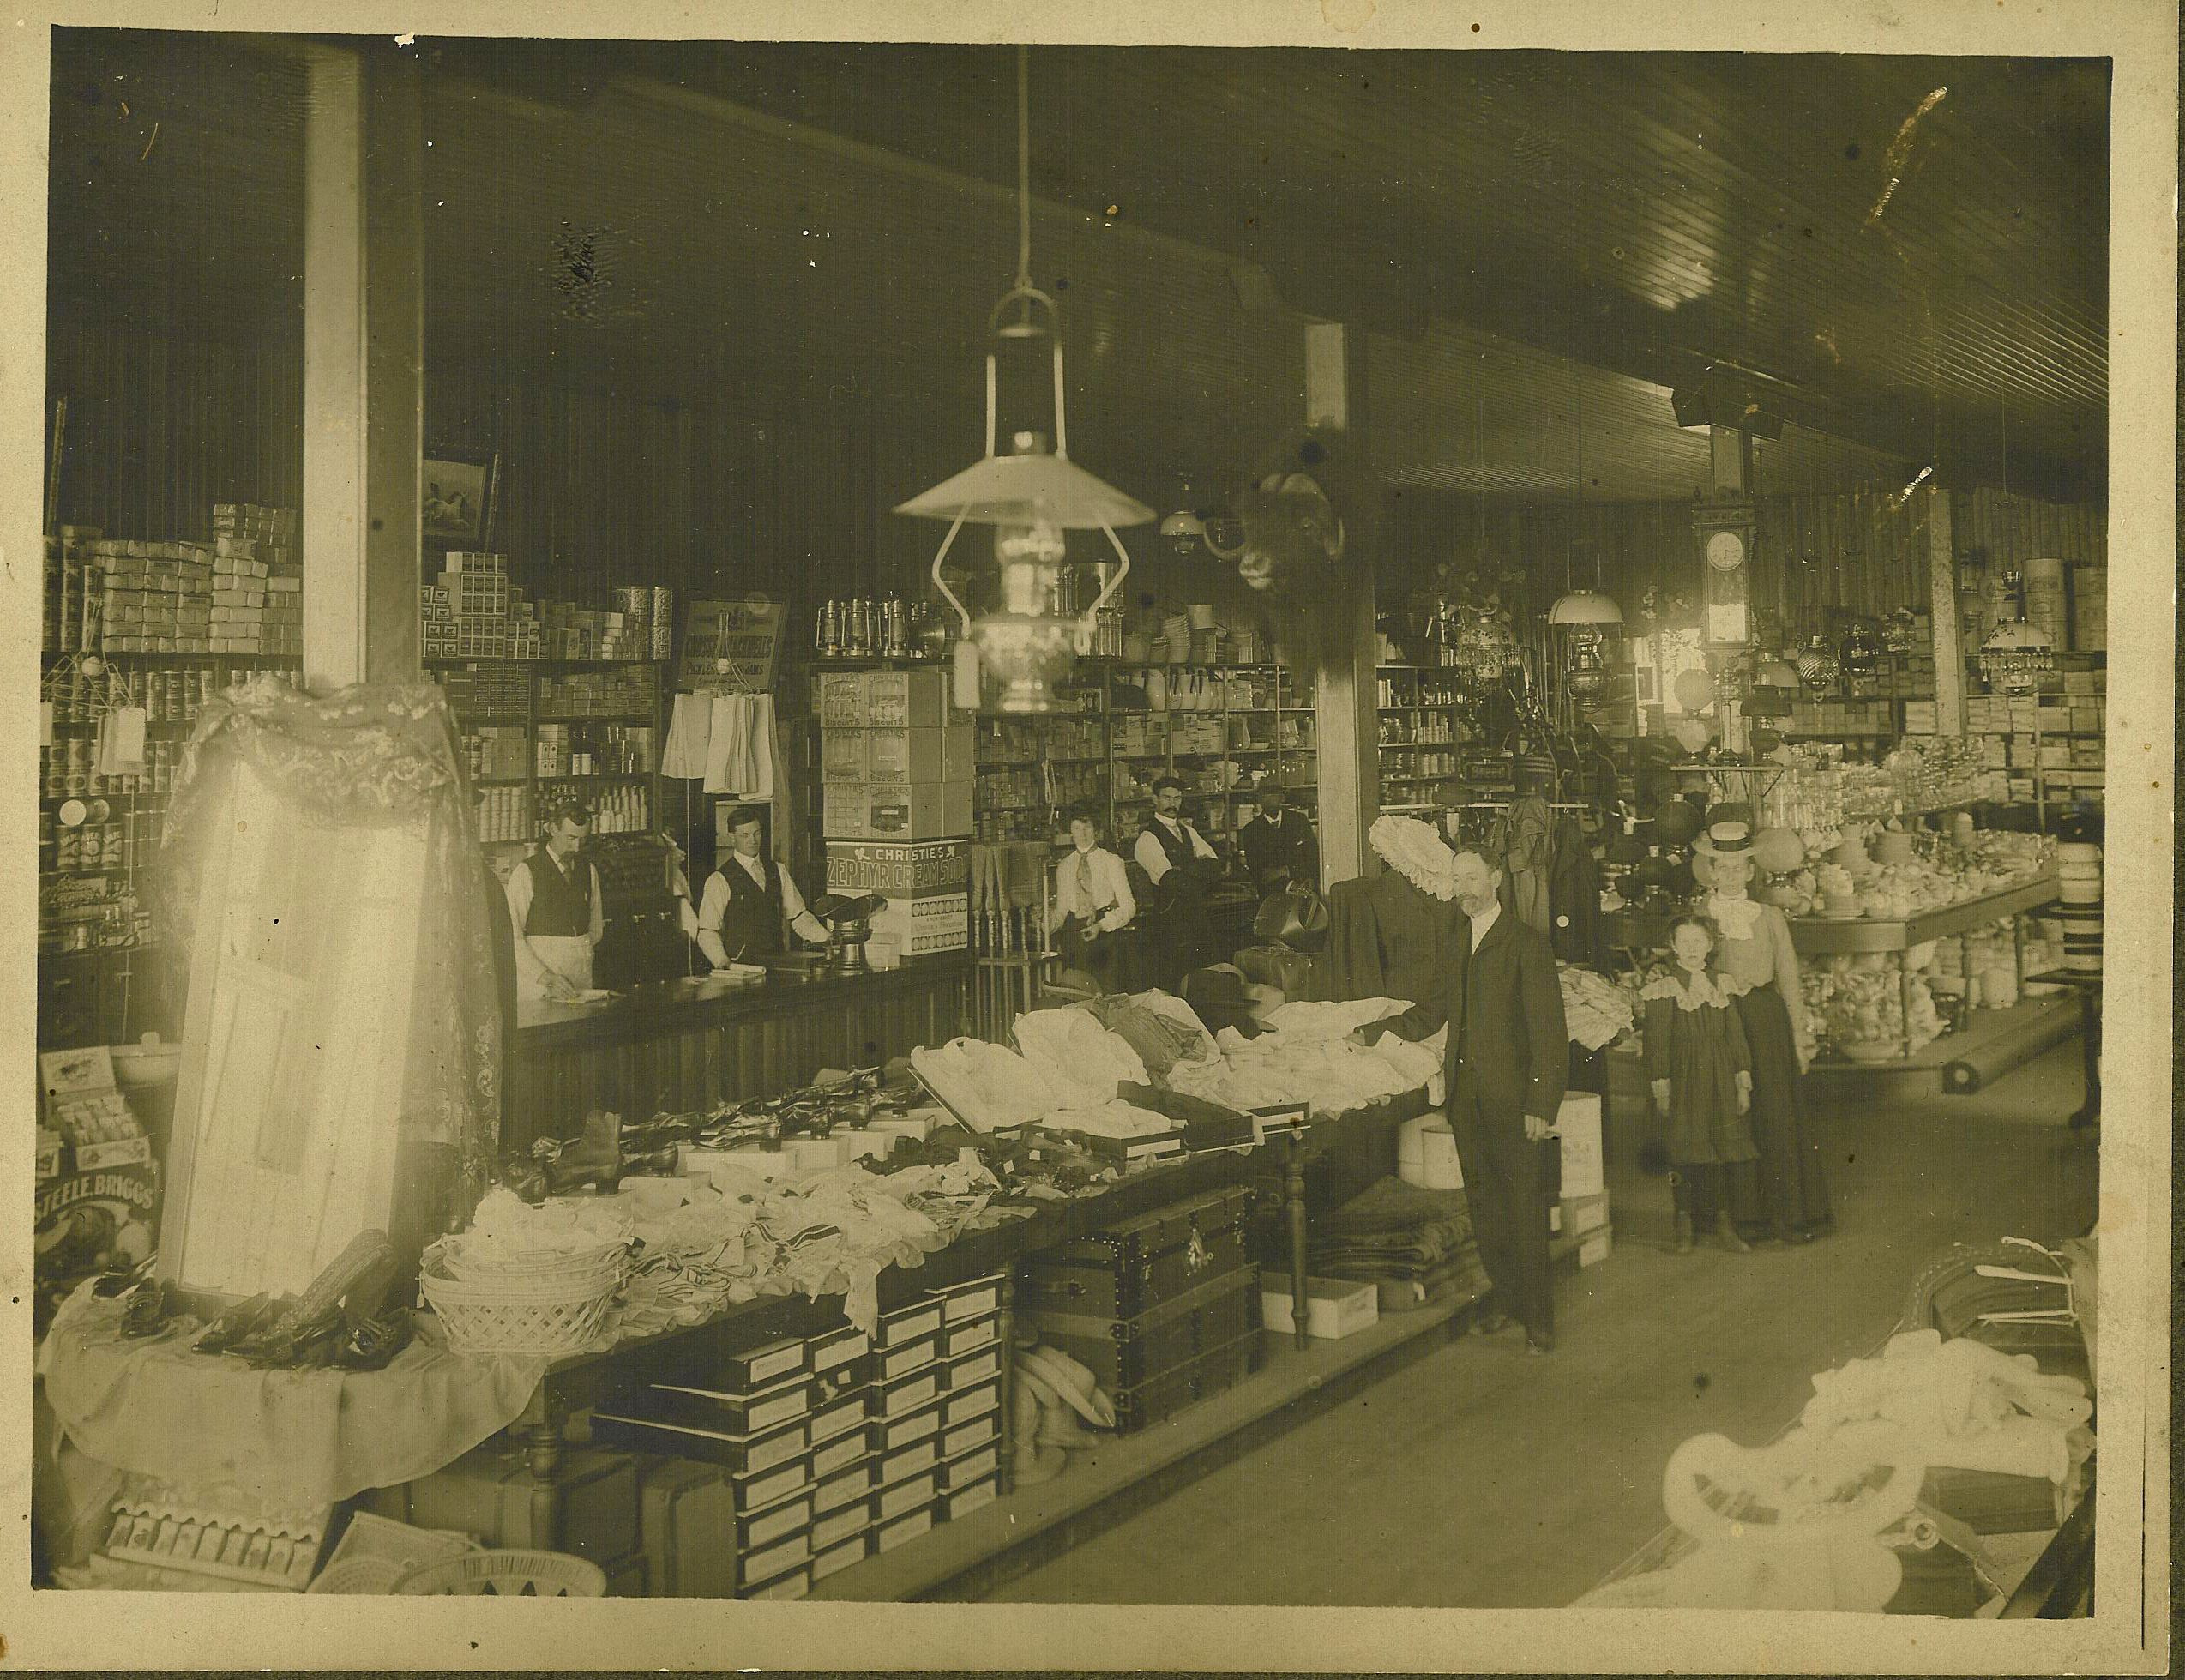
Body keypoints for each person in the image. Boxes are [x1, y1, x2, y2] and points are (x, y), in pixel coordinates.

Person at [1355, 845, 1569, 1352]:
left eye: (1472, 878)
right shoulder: (1456, 940)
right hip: (1467, 1100)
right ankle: (1507, 1296)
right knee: (1485, 1206)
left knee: (1522, 1208)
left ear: (1495, 879)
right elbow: (1433, 1011)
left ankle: (1539, 1317)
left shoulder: (1524, 944)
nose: (1463, 889)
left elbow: (1549, 1032)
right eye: (1457, 880)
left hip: (1513, 1102)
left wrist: (1541, 1105)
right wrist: (1370, 1033)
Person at [1692, 820, 1832, 1244]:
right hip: (1719, 1022)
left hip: (1766, 1022)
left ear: (1751, 872)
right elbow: (1687, 972)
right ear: (1711, 871)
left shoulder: (1770, 917)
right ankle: (1741, 1221)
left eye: (1739, 867)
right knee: (1731, 1117)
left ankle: (1788, 1218)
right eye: (1723, 867)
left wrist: (1799, 1041)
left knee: (1773, 1114)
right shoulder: (1698, 919)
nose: (1731, 875)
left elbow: (1789, 981)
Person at [1642, 916, 1760, 1255]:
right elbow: (1657, 1042)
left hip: (1721, 1078)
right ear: (1674, 946)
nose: (1693, 949)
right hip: (1683, 1079)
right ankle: (1684, 1224)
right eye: (1685, 942)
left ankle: (1723, 1224)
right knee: (1683, 1152)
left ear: (1710, 944)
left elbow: (1735, 1035)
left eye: (1699, 941)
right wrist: (1662, 1087)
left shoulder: (1722, 983)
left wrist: (1742, 1083)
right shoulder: (1664, 987)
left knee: (1721, 1150)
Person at [696, 804, 828, 966]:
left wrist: (827, 941)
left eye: (757, 833)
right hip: (740, 966)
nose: (753, 840)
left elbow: (798, 916)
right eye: (745, 835)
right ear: (732, 837)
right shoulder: (719, 880)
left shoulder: (777, 870)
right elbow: (707, 931)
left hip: (777, 962)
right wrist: (722, 962)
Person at [503, 797, 605, 1005]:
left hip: (580, 977)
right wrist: (546, 977)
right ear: (551, 829)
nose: (576, 847)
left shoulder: (589, 870)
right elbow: (510, 936)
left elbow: (596, 928)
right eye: (570, 838)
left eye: (582, 840)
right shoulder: (526, 872)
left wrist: (575, 952)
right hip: (540, 982)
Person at [1132, 774, 1222, 989]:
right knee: (1176, 981)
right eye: (1167, 798)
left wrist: (1186, 869)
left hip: (1196, 915)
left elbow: (1215, 867)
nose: (1172, 804)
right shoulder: (1147, 838)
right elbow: (1170, 880)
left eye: (1177, 798)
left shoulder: (1188, 831)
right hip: (1169, 922)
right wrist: (1197, 870)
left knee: (1206, 976)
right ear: (1155, 799)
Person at [1050, 810, 1135, 992]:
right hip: (1074, 938)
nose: (1082, 833)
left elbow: (1129, 906)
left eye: (1087, 827)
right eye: (1077, 828)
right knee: (1078, 995)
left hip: (1106, 935)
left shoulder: (1111, 861)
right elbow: (1061, 912)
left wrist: (1101, 926)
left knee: (1107, 995)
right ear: (1070, 832)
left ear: (1095, 830)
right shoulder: (1065, 866)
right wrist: (1046, 922)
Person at [1237, 775, 1319, 891]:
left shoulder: (1299, 820)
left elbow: (1313, 857)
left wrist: (1285, 870)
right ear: (1259, 799)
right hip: (1274, 896)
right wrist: (1289, 884)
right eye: (1265, 796)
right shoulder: (1251, 831)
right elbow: (1260, 873)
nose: (1270, 800)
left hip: (1305, 888)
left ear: (1282, 798)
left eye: (1274, 795)